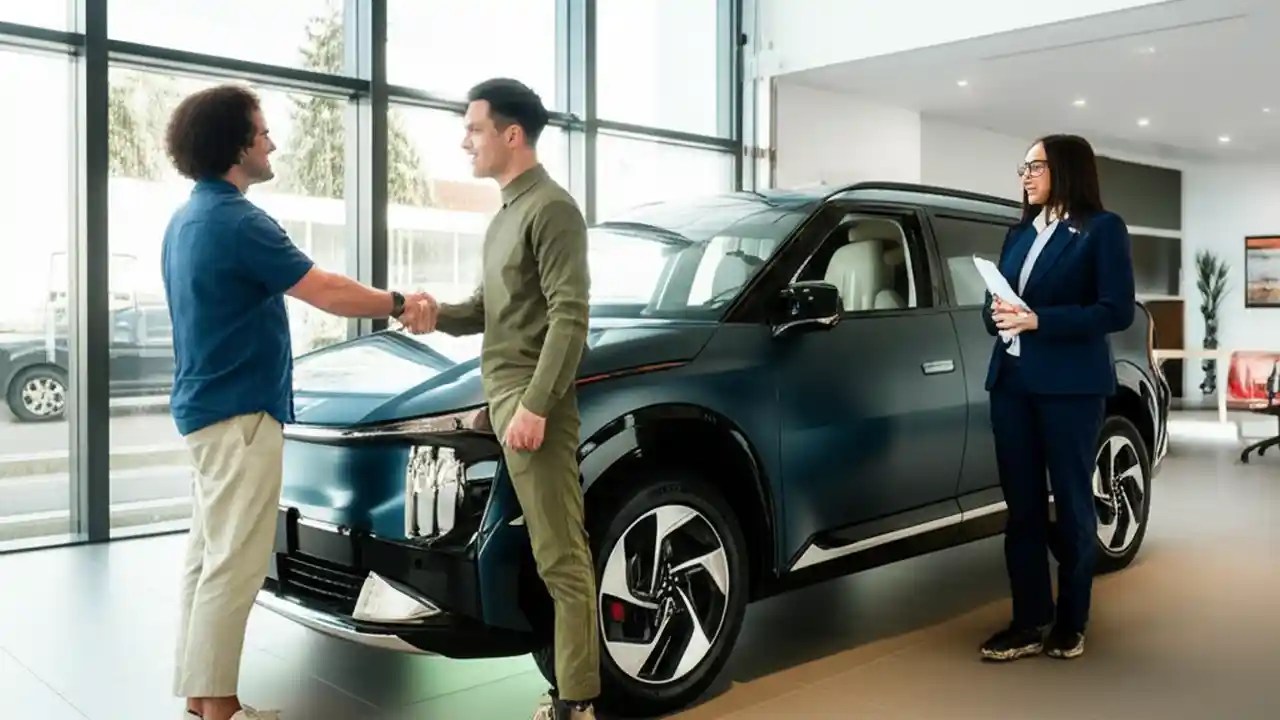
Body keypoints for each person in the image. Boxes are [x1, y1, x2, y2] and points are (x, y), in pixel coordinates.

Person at [161, 84, 436, 720]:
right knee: (235, 564)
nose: (272, 143)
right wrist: (400, 303)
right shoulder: (239, 221)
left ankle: (201, 703)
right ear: (236, 145)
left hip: (204, 413)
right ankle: (221, 708)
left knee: (207, 559)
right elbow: (327, 291)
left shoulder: (185, 221)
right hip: (239, 416)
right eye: (262, 132)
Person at [431, 77, 597, 720]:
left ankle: (577, 704)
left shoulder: (552, 209)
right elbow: (486, 308)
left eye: (474, 129)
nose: (465, 142)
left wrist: (535, 406)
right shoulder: (505, 215)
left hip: (532, 407)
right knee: (541, 555)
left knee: (562, 556)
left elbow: (570, 317)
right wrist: (432, 313)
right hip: (505, 402)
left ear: (512, 134)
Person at [978, 134, 1136, 663]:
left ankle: (1071, 621)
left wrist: (1039, 320)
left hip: (1071, 388)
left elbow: (1116, 310)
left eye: (1036, 166)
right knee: (1021, 509)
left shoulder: (1102, 229)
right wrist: (998, 314)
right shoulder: (1019, 233)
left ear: (1066, 168)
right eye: (1022, 168)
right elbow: (994, 305)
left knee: (1071, 505)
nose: (1025, 176)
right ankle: (1028, 621)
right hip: (1011, 384)